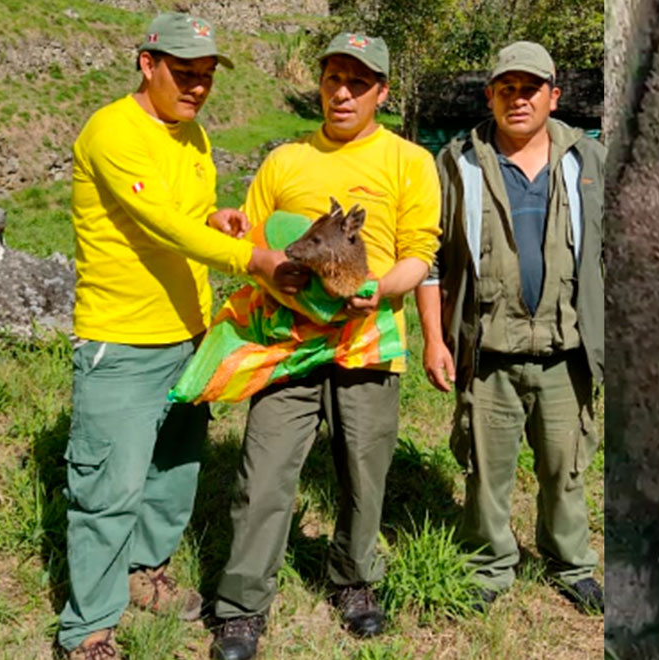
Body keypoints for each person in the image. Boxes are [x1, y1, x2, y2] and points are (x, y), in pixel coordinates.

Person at [58, 12, 300, 660]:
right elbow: (159, 222)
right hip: (122, 340)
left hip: (188, 335)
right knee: (108, 490)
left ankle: (145, 572)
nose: (197, 87)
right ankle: (89, 630)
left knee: (172, 472)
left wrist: (215, 219)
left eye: (207, 76)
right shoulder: (113, 131)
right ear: (148, 64)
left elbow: (184, 216)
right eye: (184, 73)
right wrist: (253, 259)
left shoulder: (192, 135)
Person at [208, 32, 441, 660]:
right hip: (286, 342)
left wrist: (380, 288)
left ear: (381, 92)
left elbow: (421, 254)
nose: (342, 93)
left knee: (364, 471)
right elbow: (252, 242)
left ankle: (354, 580)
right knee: (264, 472)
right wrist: (265, 272)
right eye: (333, 78)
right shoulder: (285, 160)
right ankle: (241, 607)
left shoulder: (410, 162)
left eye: (358, 83)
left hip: (367, 338)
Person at [414, 40, 605, 614]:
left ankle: (571, 563)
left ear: (554, 96)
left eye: (530, 89)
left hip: (565, 351)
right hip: (488, 351)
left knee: (566, 469)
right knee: (485, 471)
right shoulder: (458, 163)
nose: (518, 99)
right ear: (490, 95)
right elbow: (430, 259)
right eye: (507, 89)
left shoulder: (589, 161)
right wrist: (434, 339)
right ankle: (488, 566)